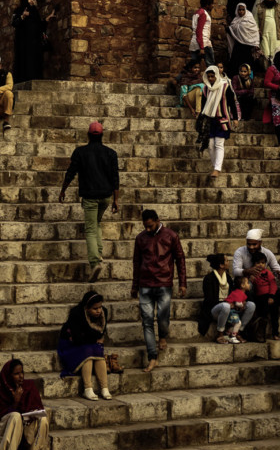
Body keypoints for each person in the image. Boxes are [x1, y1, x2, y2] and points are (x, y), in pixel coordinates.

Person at [59, 121, 120, 281]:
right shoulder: (111, 153)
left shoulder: (80, 152)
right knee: (97, 224)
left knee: (91, 229)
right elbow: (115, 178)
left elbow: (70, 172)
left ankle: (95, 262)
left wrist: (63, 190)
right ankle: (98, 255)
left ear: (88, 135)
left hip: (90, 197)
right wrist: (116, 200)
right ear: (102, 135)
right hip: (106, 197)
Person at [131, 210, 186, 373]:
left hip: (164, 283)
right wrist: (134, 286)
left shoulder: (171, 235)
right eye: (145, 226)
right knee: (147, 321)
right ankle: (152, 356)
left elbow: (180, 259)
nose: (148, 229)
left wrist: (182, 282)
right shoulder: (140, 238)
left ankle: (162, 336)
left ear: (157, 220)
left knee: (163, 317)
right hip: (145, 285)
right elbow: (136, 262)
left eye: (150, 226)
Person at [0, 358, 50, 450]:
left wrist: (33, 414)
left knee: (43, 418)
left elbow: (37, 406)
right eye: (16, 374)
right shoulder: (1, 392)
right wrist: (16, 401)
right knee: (15, 416)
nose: (21, 376)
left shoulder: (29, 387)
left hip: (25, 427)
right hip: (5, 431)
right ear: (8, 376)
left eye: (22, 372)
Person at [231, 229, 280, 335]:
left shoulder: (267, 253)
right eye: (249, 244)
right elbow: (236, 271)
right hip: (249, 286)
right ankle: (255, 311)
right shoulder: (240, 252)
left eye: (254, 244)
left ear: (260, 243)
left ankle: (265, 308)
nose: (251, 247)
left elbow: (278, 270)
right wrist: (247, 271)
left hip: (264, 288)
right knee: (248, 285)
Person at [57, 290, 113, 400]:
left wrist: (90, 337)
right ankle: (88, 389)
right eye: (95, 308)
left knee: (97, 351)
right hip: (71, 345)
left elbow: (101, 334)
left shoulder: (103, 313)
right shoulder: (77, 314)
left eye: (100, 307)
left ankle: (104, 388)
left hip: (88, 343)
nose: (98, 311)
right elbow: (77, 338)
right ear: (87, 308)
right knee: (88, 353)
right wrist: (93, 338)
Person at [198, 253, 254, 341]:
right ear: (221, 265)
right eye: (227, 261)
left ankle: (237, 332)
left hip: (230, 307)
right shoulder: (209, 278)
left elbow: (235, 292)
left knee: (251, 305)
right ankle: (220, 334)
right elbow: (209, 299)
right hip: (215, 309)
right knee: (225, 306)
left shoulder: (227, 277)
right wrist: (227, 303)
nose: (229, 262)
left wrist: (240, 301)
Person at [196, 65, 240, 176]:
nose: (211, 79)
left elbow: (231, 103)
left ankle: (217, 169)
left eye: (212, 76)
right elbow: (203, 105)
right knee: (210, 145)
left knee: (219, 144)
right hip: (209, 121)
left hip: (222, 119)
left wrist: (235, 118)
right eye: (209, 76)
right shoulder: (206, 89)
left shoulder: (225, 87)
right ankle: (215, 165)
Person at [12, 0, 55, 81]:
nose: (31, 1)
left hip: (35, 42)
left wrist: (47, 19)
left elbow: (39, 25)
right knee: (24, 60)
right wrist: (23, 16)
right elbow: (14, 23)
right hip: (23, 42)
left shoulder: (34, 11)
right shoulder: (19, 10)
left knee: (35, 60)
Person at [182, 0, 215, 76]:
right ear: (207, 5)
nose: (212, 6)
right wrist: (202, 47)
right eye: (212, 4)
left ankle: (178, 78)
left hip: (195, 42)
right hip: (203, 42)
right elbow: (199, 30)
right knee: (211, 65)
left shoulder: (197, 13)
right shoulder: (203, 14)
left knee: (192, 64)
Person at [254, 0, 280, 64]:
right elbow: (255, 21)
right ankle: (266, 71)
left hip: (276, 33)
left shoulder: (279, 7)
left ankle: (274, 70)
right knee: (265, 53)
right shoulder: (259, 7)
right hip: (263, 33)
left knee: (275, 52)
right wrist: (256, 32)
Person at [226, 2, 260, 76]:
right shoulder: (235, 20)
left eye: (242, 10)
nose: (241, 11)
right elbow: (232, 30)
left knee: (248, 63)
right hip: (238, 45)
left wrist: (256, 43)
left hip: (248, 47)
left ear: (245, 10)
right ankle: (235, 79)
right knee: (236, 62)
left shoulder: (250, 19)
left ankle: (248, 80)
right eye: (239, 10)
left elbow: (254, 32)